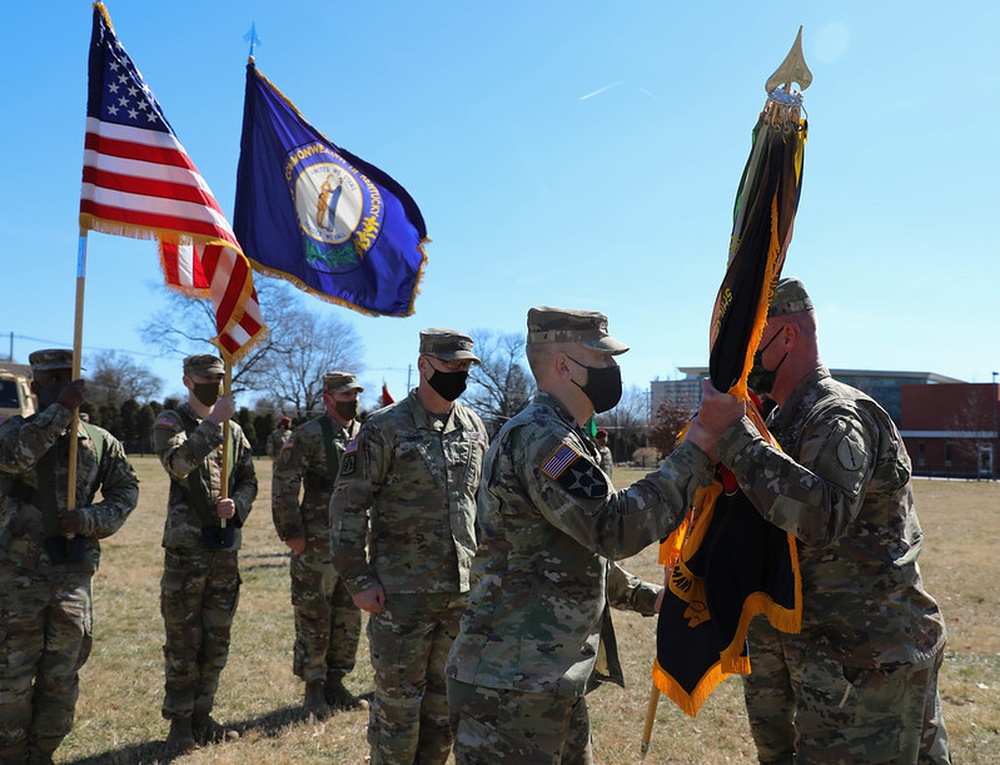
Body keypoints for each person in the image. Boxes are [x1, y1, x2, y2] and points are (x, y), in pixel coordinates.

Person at [693, 277, 950, 764]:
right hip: (818, 654)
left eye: (749, 344)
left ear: (786, 337)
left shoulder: (837, 416)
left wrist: (736, 439)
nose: (740, 360)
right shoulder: (778, 419)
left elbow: (822, 516)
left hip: (868, 656)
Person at [445, 308, 717, 763]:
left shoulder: (566, 436)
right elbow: (613, 527)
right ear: (564, 366)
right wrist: (696, 450)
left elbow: (568, 551)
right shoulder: (543, 440)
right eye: (603, 359)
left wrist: (644, 597)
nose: (614, 370)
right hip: (512, 688)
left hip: (543, 678)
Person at [330, 329, 489, 765]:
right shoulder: (383, 428)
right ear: (423, 365)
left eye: (464, 367)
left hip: (460, 596)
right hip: (400, 596)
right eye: (450, 365)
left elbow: (484, 505)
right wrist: (358, 578)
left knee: (444, 710)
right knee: (398, 713)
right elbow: (347, 507)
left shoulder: (475, 428)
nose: (459, 373)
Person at [0, 349, 139, 765]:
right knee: (11, 679)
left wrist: (89, 518)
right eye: (53, 380)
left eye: (69, 378)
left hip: (71, 577)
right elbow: (17, 457)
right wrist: (61, 410)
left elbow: (126, 492)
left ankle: (43, 754)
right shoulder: (13, 431)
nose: (62, 385)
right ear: (37, 386)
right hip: (18, 577)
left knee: (61, 680)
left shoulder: (99, 441)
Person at [152, 354, 258, 755]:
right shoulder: (171, 423)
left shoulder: (235, 431)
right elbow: (179, 464)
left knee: (217, 637)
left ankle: (202, 713)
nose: (214, 382)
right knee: (183, 639)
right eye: (206, 377)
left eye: (219, 376)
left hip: (224, 550)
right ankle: (179, 722)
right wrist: (214, 424)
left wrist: (239, 505)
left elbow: (248, 479)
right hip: (187, 551)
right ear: (187, 380)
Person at [271, 371, 366, 718]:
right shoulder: (307, 435)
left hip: (353, 544)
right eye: (345, 395)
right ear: (328, 399)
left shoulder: (364, 433)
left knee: (348, 616)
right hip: (315, 544)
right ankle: (313, 687)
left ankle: (336, 680)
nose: (352, 400)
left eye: (355, 394)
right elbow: (283, 485)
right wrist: (292, 533)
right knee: (314, 616)